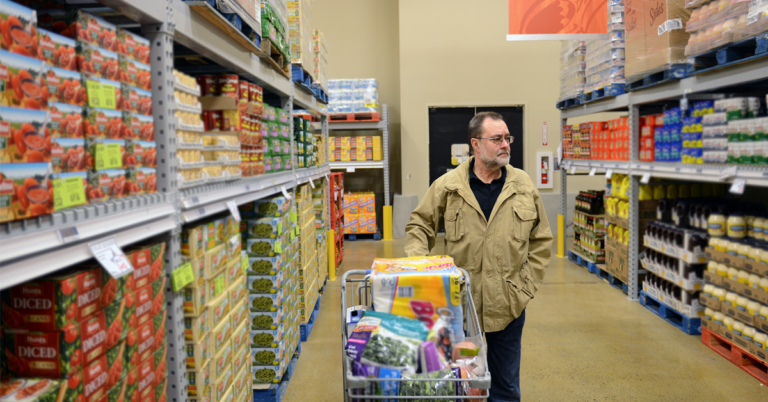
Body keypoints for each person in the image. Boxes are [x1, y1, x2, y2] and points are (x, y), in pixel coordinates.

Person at [404, 111, 553, 402]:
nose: (505, 145)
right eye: (496, 139)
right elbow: (419, 225)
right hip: (459, 308)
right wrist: (420, 269)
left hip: (508, 306)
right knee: (459, 385)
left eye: (507, 138)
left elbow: (542, 239)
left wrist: (524, 287)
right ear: (475, 144)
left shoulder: (523, 186)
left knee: (506, 389)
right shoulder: (449, 185)